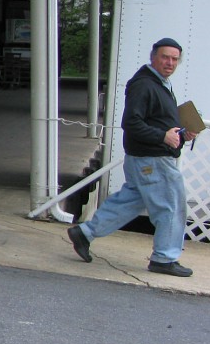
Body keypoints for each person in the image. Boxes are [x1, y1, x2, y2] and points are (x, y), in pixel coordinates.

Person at [67, 37, 197, 277]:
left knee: (130, 201)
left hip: (144, 159)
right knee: (171, 206)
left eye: (175, 59)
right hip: (154, 159)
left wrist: (181, 133)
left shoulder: (159, 84)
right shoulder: (144, 85)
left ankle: (84, 233)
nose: (170, 62)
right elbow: (131, 123)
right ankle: (164, 258)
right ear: (153, 57)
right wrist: (162, 137)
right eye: (165, 57)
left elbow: (155, 121)